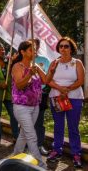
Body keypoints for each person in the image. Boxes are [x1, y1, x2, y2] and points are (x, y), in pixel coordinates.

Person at [46, 37, 85, 168]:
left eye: (66, 46)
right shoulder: (54, 63)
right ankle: (56, 150)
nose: (63, 48)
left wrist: (67, 89)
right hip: (57, 98)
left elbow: (80, 81)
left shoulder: (77, 62)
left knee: (73, 127)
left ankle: (76, 154)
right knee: (58, 126)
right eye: (61, 46)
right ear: (58, 48)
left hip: (74, 98)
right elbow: (48, 80)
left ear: (71, 48)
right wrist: (60, 89)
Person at [11, 40, 48, 169]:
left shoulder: (35, 66)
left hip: (35, 106)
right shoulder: (17, 66)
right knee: (31, 136)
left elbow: (46, 80)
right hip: (21, 107)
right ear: (23, 52)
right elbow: (20, 85)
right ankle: (41, 165)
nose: (35, 51)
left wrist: (50, 70)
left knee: (24, 135)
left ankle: (15, 155)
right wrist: (29, 75)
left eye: (35, 49)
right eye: (31, 49)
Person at [0, 43, 19, 149]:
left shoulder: (8, 61)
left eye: (3, 49)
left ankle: (16, 137)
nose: (2, 51)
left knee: (13, 115)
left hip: (8, 92)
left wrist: (12, 62)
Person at [33, 39, 51, 156]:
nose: (32, 49)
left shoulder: (44, 60)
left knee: (39, 122)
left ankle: (39, 145)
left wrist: (45, 90)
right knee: (26, 122)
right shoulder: (22, 61)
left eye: (34, 46)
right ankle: (26, 146)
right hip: (26, 97)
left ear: (38, 47)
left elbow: (49, 78)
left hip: (41, 95)